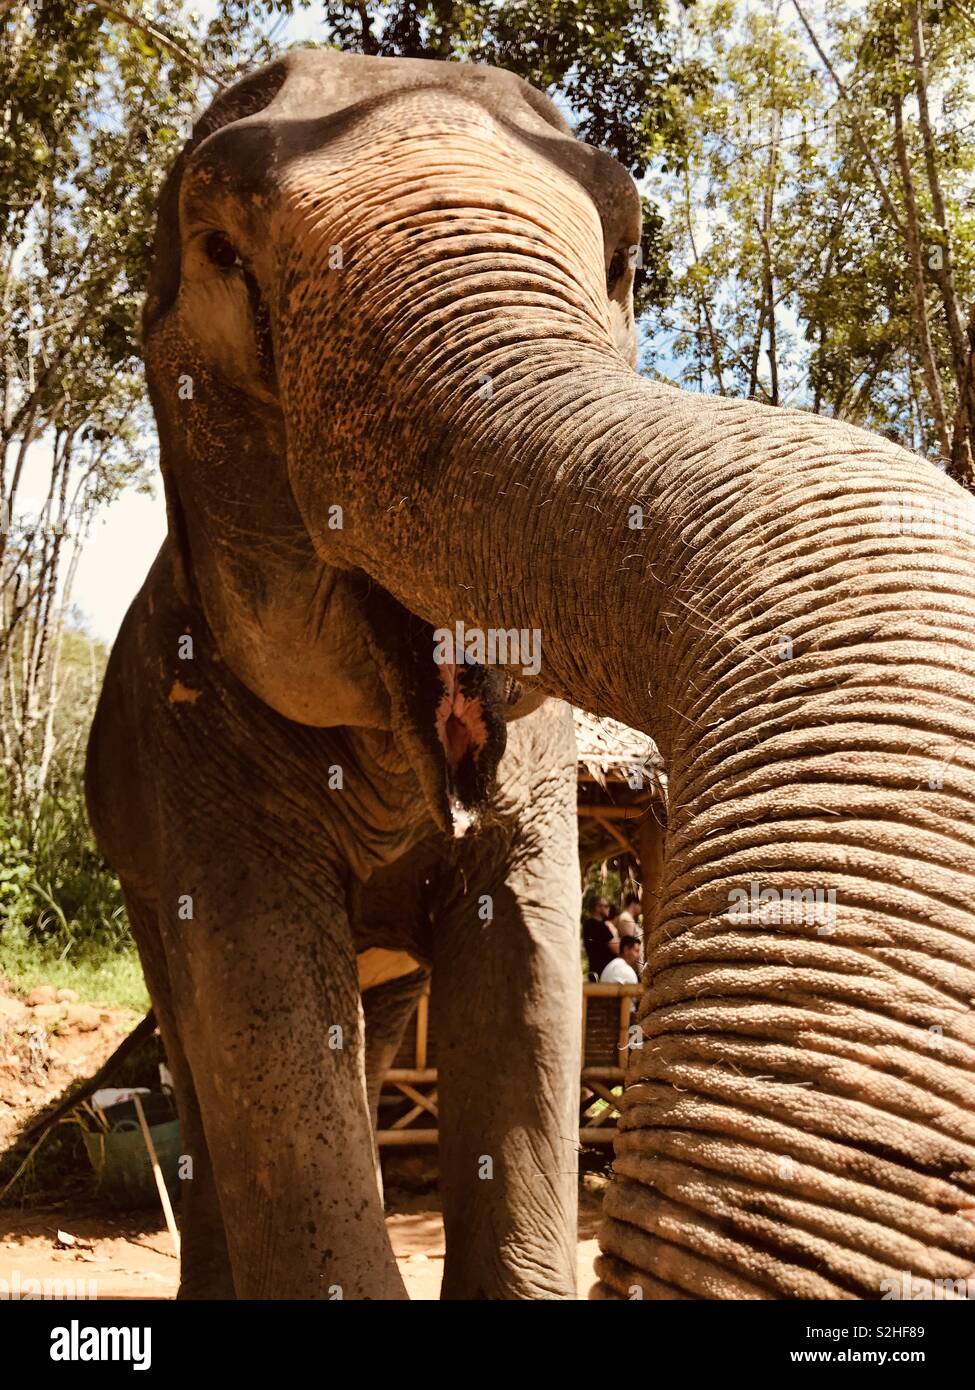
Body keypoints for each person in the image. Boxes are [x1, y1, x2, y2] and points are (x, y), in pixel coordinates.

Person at [582, 897, 618, 978]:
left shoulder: (587, 924)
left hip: (594, 969)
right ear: (597, 907)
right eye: (606, 906)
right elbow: (616, 948)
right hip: (606, 971)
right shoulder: (600, 926)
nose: (608, 909)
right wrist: (614, 931)